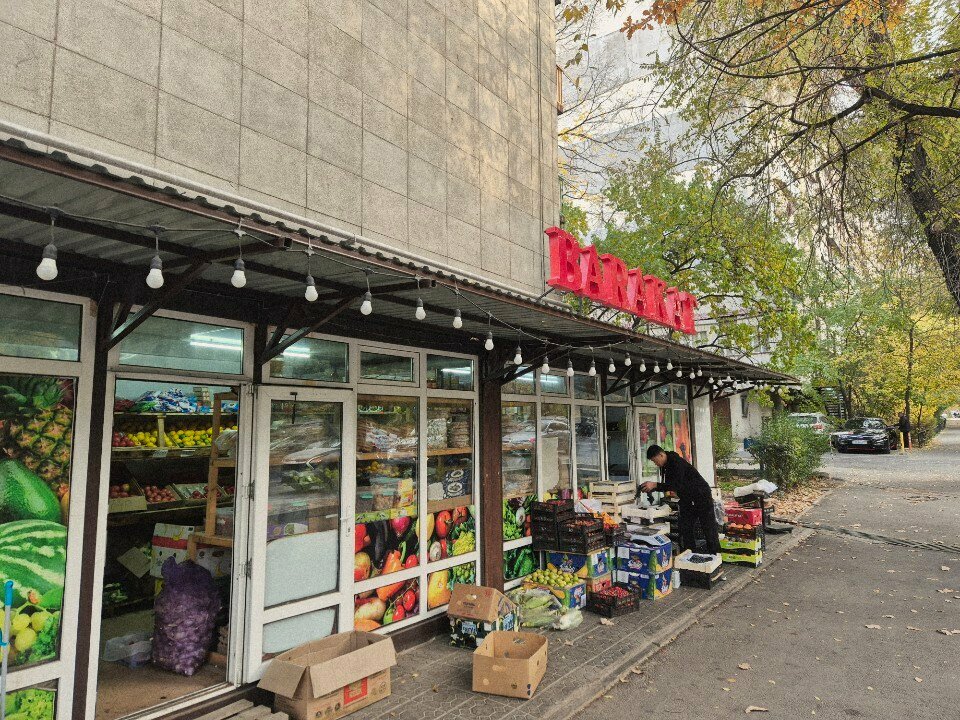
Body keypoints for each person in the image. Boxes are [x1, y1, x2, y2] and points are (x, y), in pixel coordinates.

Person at [640, 444, 721, 554]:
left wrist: (654, 485)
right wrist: (652, 488)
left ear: (661, 455)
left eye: (655, 461)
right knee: (685, 527)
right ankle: (689, 555)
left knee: (708, 527)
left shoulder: (676, 463)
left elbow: (674, 485)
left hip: (701, 495)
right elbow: (669, 485)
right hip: (687, 498)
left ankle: (715, 555)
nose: (656, 464)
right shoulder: (666, 465)